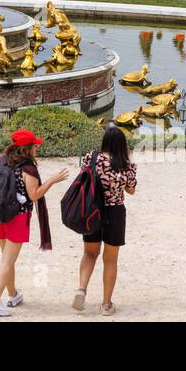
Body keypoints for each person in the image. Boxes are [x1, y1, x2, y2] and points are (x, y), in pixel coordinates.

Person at [0, 129, 67, 317]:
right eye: (34, 145)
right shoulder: (28, 168)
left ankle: (13, 295)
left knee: (7, 259)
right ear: (27, 148)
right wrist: (52, 180)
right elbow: (34, 195)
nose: (36, 148)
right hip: (18, 217)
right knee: (7, 261)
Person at [73, 126, 137, 316]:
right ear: (122, 145)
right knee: (110, 259)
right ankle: (106, 304)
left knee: (89, 253)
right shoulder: (126, 164)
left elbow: (84, 175)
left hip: (92, 210)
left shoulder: (91, 158)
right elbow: (131, 190)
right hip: (115, 212)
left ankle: (81, 289)